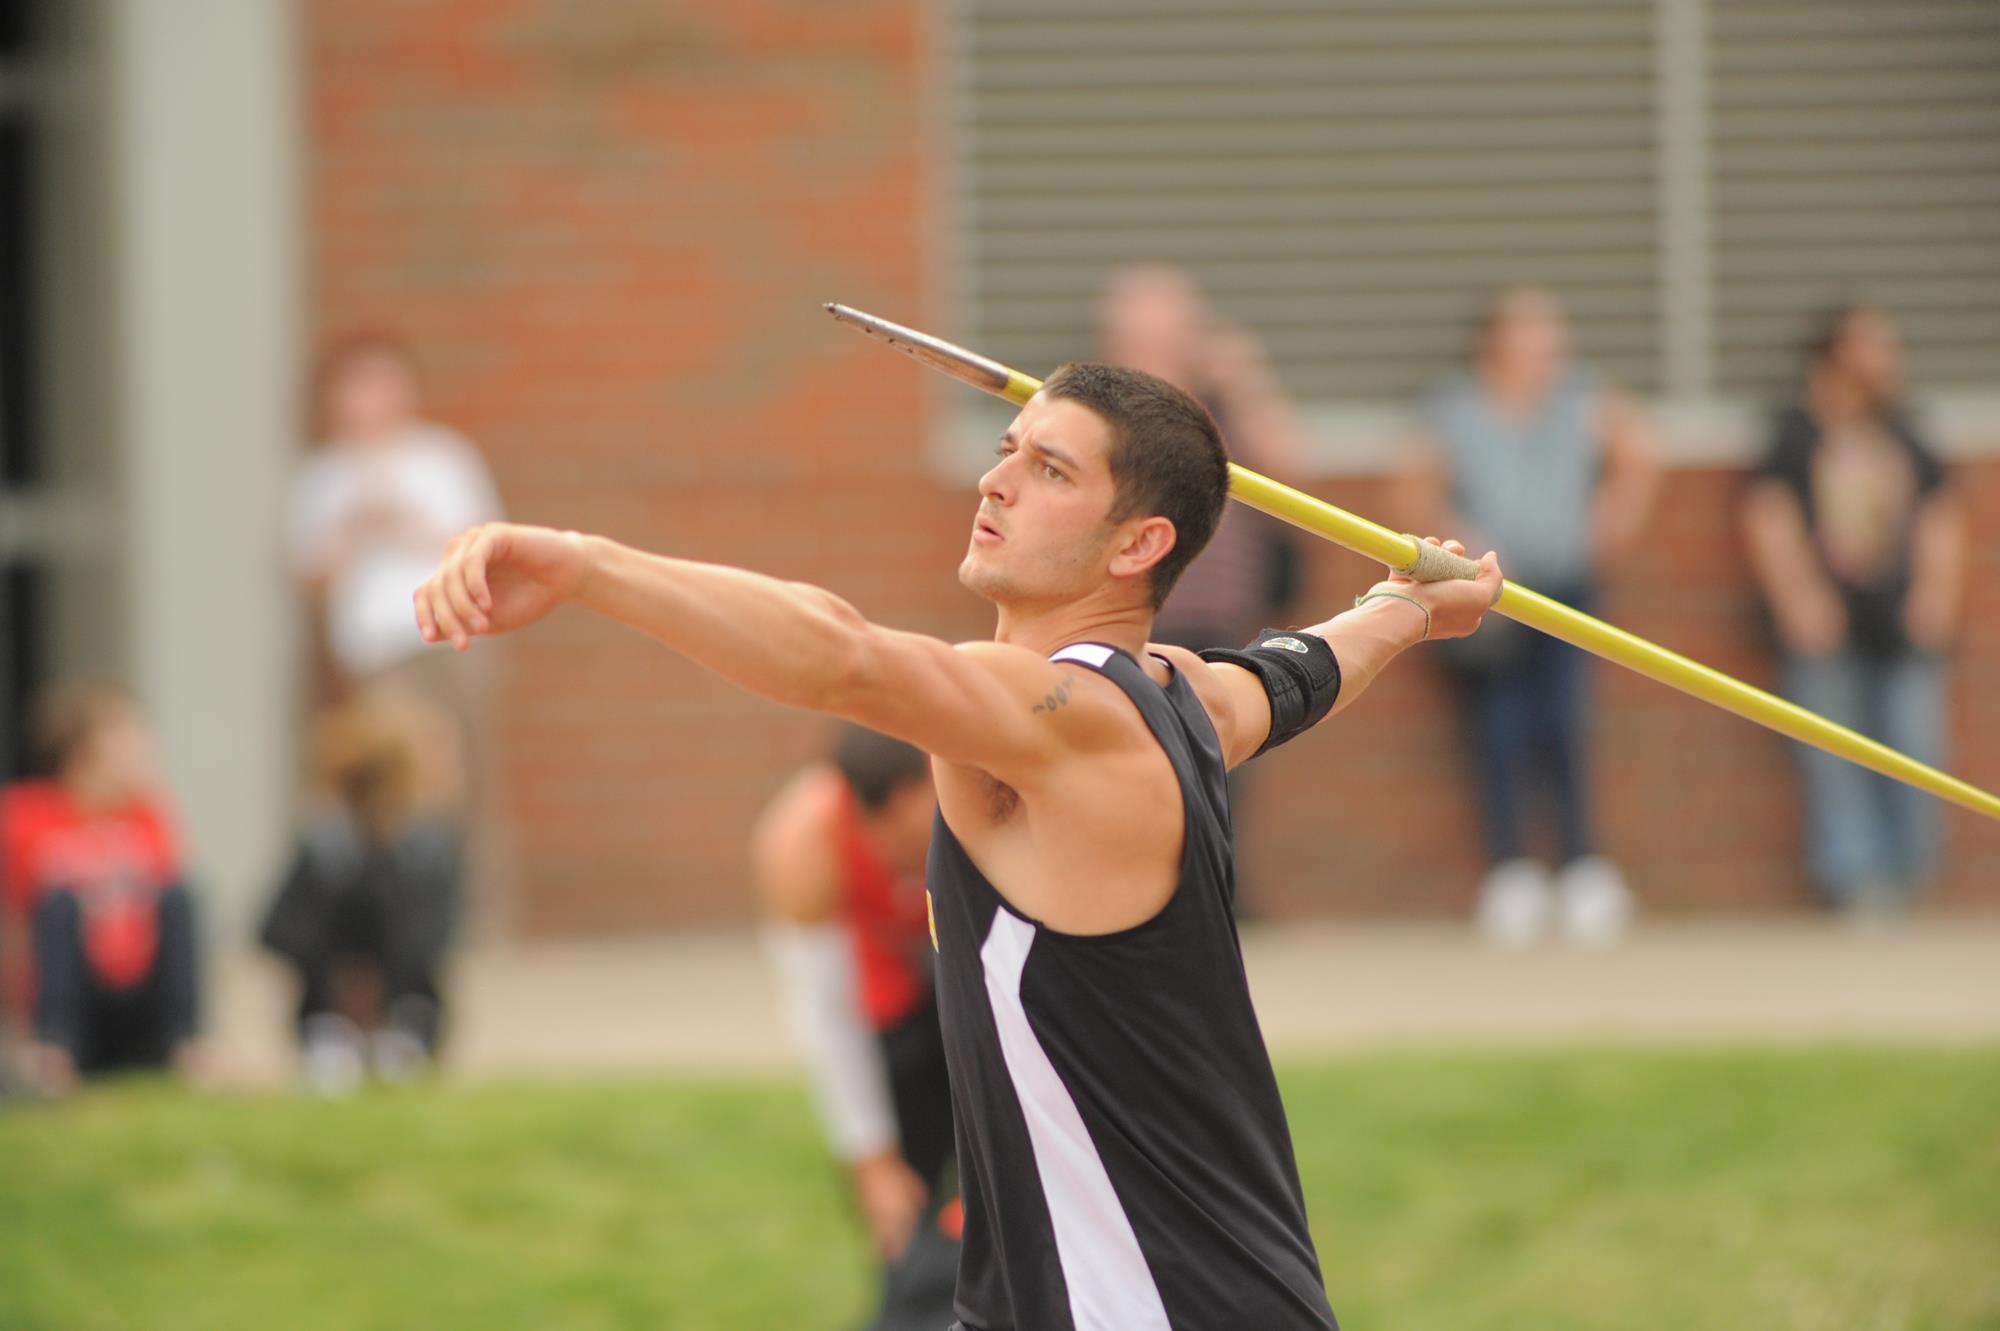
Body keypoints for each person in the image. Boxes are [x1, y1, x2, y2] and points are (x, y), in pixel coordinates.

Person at [413, 361, 1501, 1330]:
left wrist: (584, 565)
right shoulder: (1181, 697)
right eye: (1007, 451)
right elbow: (1292, 674)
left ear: (1139, 543)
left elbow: (843, 657)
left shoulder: (1072, 723)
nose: (995, 482)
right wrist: (1406, 606)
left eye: (1050, 470)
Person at [1401, 287, 1660, 947]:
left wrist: (1609, 524)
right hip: (1490, 596)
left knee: (1565, 724)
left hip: (1566, 588)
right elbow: (1415, 490)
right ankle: (1511, 870)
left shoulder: (1580, 399)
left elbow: (1639, 453)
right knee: (1498, 730)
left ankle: (1581, 867)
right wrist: (1465, 548)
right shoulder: (1456, 407)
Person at [1740, 306, 1965, 920]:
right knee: (1831, 752)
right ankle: (1854, 879)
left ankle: (1910, 875)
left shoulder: (1906, 431)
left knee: (1914, 742)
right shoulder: (1794, 433)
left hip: (1900, 623)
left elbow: (1939, 512)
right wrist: (1798, 597)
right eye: (1873, 346)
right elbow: (1769, 514)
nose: (1887, 360)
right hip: (1825, 625)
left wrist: (1935, 594)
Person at [1098, 265, 1310, 914]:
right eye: (1144, 338)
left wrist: (1246, 384)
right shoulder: (1102, 416)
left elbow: (1292, 469)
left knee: (1221, 757)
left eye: (1173, 336)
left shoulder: (1217, 412)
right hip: (1131, 612)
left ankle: (1215, 895)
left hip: (1218, 612)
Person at [755, 724, 957, 1331]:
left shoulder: (971, 788)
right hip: (890, 1013)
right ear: (878, 812)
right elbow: (825, 1015)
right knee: (904, 1217)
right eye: (910, 834)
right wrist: (871, 1162)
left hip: (967, 985)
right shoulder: (802, 844)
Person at [0, 686, 203, 1095]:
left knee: (178, 896)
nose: (142, 746)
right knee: (58, 903)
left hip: (136, 996)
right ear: (83, 748)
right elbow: (13, 927)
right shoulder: (24, 815)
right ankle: (56, 1053)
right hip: (70, 1004)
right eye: (124, 734)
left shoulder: (148, 816)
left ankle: (186, 1043)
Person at [261, 688, 463, 1092]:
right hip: (329, 1004)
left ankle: (400, 1035)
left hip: (406, 1002)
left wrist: (386, 985)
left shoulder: (428, 850)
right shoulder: (326, 851)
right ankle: (335, 1038)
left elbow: (437, 936)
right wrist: (341, 978)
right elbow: (277, 929)